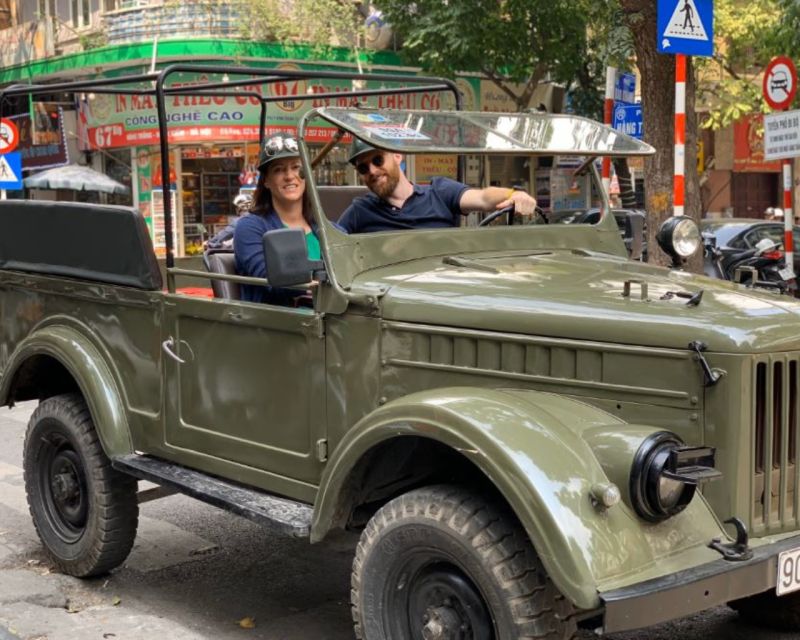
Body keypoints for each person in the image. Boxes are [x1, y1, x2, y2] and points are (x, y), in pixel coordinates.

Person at [338, 140, 538, 234]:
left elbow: (484, 198)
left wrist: (514, 194)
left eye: (378, 160)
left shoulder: (439, 192)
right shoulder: (360, 211)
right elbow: (328, 246)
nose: (372, 171)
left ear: (397, 156)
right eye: (364, 168)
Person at [234, 133, 323, 305]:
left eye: (296, 167)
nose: (289, 176)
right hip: (282, 325)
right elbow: (271, 281)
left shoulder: (325, 228)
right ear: (266, 180)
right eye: (278, 169)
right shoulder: (251, 227)